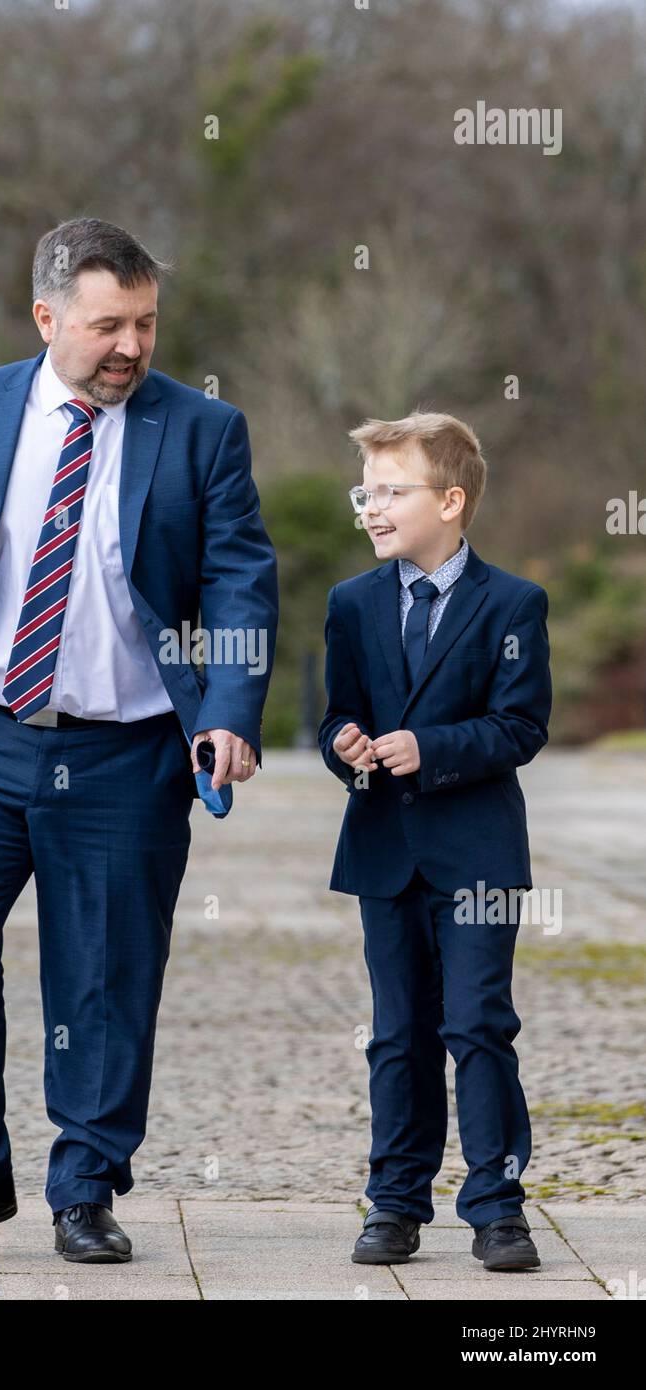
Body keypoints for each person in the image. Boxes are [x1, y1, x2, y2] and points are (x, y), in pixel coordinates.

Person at [0, 217, 278, 1263]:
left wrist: (226, 707)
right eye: (107, 325)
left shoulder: (201, 430)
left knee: (103, 975)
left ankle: (84, 1187)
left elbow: (236, 576)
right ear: (46, 316)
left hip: (125, 752)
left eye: (144, 322)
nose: (131, 346)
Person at [318, 411, 551, 1272]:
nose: (370, 509)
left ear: (451, 501)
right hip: (385, 849)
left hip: (479, 851)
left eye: (391, 492)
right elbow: (336, 712)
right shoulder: (350, 603)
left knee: (479, 1022)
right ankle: (395, 1203)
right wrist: (345, 745)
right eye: (365, 493)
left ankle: (496, 1204)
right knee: (397, 1031)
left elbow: (522, 725)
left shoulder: (514, 603)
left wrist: (434, 749)